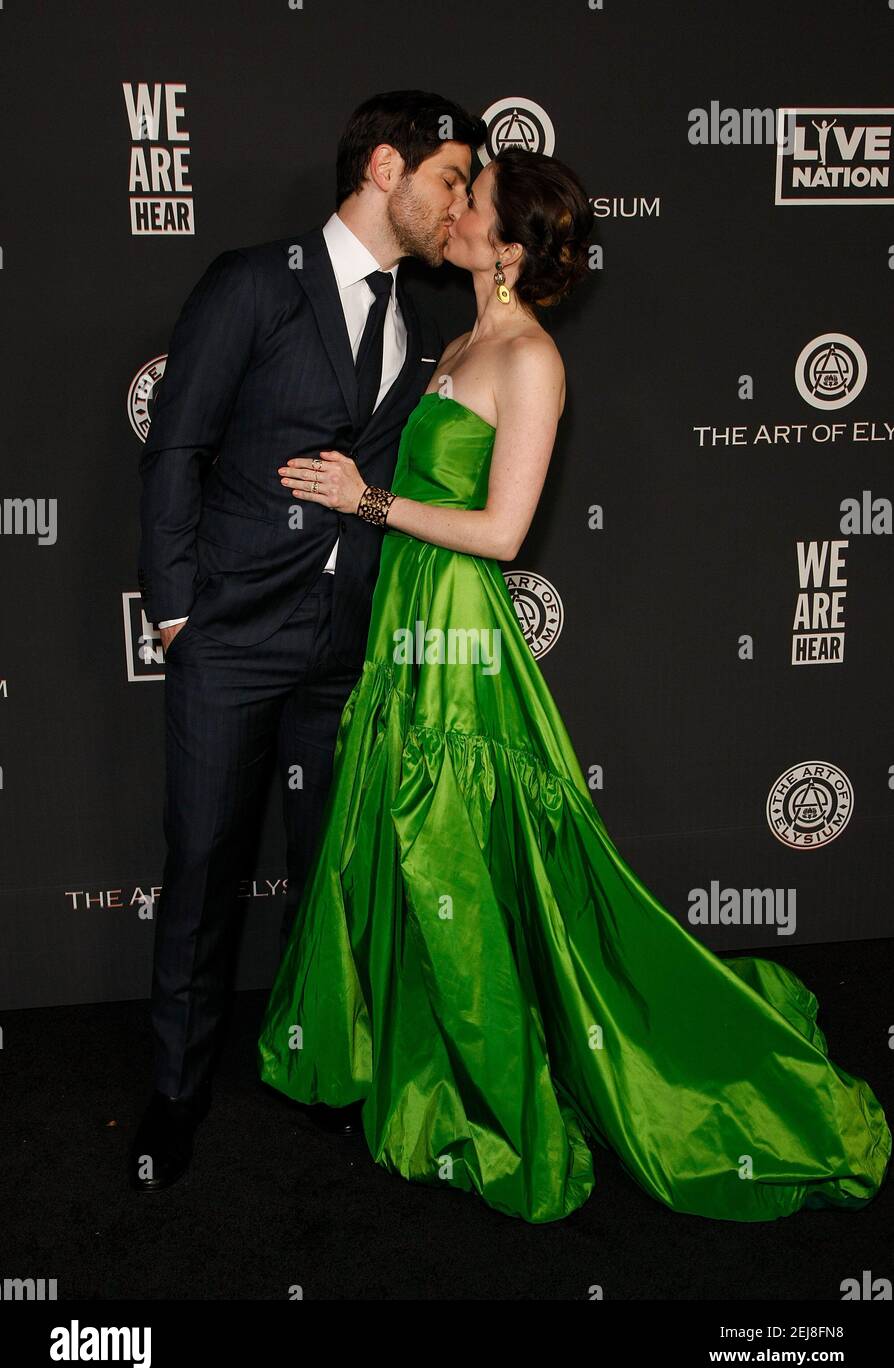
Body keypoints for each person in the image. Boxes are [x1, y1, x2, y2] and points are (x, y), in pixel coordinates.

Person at [257, 146, 892, 1224]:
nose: (454, 210)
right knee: (413, 834)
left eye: (473, 200)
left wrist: (366, 501)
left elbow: (504, 534)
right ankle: (415, 1053)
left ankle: (498, 1078)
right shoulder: (463, 338)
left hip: (458, 628)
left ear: (506, 248)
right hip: (410, 617)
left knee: (451, 838)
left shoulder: (531, 360)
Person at [132, 90, 487, 1192]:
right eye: (450, 179)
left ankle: (312, 1064)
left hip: (342, 649)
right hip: (232, 639)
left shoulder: (416, 329)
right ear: (385, 167)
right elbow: (176, 447)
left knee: (327, 872)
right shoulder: (255, 282)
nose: (460, 203)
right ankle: (174, 1096)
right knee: (204, 868)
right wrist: (176, 612)